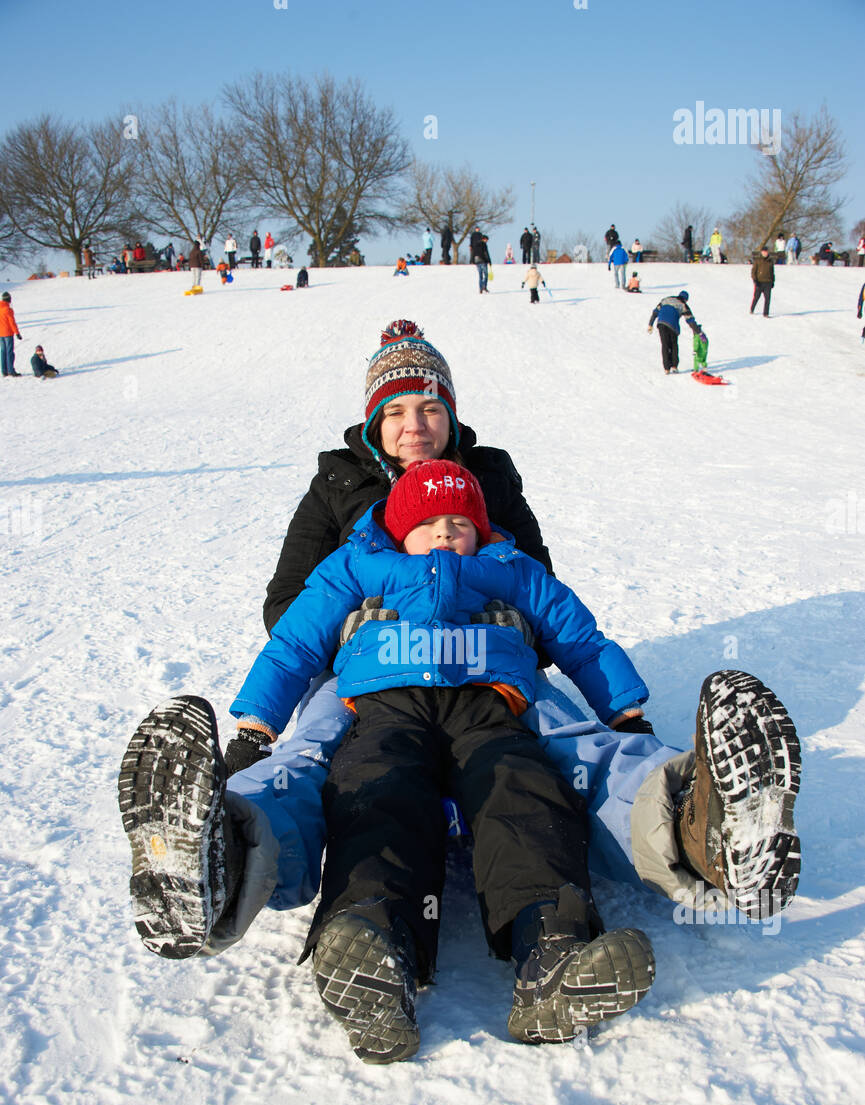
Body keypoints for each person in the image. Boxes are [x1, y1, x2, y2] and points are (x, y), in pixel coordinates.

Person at [118, 319, 802, 1011]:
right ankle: (223, 851)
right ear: (372, 423)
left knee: (567, 750)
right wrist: (261, 722)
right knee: (322, 759)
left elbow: (554, 606)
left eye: (430, 408)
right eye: (396, 411)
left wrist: (618, 707)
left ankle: (700, 829)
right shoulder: (339, 497)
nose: (414, 424)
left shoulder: (492, 487)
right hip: (364, 670)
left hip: (493, 669)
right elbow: (290, 618)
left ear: (451, 412)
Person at [121, 460, 659, 1062]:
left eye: (461, 521)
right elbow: (295, 643)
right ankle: (372, 939)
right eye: (429, 522)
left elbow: (582, 640)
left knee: (521, 789)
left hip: (488, 702)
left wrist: (625, 710)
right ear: (398, 530)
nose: (447, 532)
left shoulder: (510, 569)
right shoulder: (358, 564)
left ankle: (553, 949)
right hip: (385, 703)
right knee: (378, 792)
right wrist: (255, 726)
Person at [647, 290, 699, 373]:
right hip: (672, 325)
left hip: (661, 323)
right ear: (686, 299)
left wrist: (650, 324)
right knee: (674, 345)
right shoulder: (683, 305)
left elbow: (655, 312)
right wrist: (698, 332)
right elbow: (690, 320)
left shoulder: (666, 299)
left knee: (665, 345)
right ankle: (674, 366)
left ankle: (666, 368)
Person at [0, 291, 22, 376]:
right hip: (8, 333)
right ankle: (11, 370)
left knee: (2, 351)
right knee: (9, 352)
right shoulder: (8, 310)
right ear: (9, 300)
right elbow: (12, 323)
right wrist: (17, 333)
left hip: (0, 334)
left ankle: (4, 371)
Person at [750, 246, 775, 316]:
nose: (765, 253)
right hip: (759, 282)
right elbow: (753, 271)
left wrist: (773, 281)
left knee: (767, 299)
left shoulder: (770, 261)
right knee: (756, 297)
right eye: (763, 252)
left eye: (766, 252)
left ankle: (766, 313)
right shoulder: (758, 260)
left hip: (768, 282)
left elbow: (772, 272)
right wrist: (755, 280)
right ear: (761, 252)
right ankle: (752, 309)